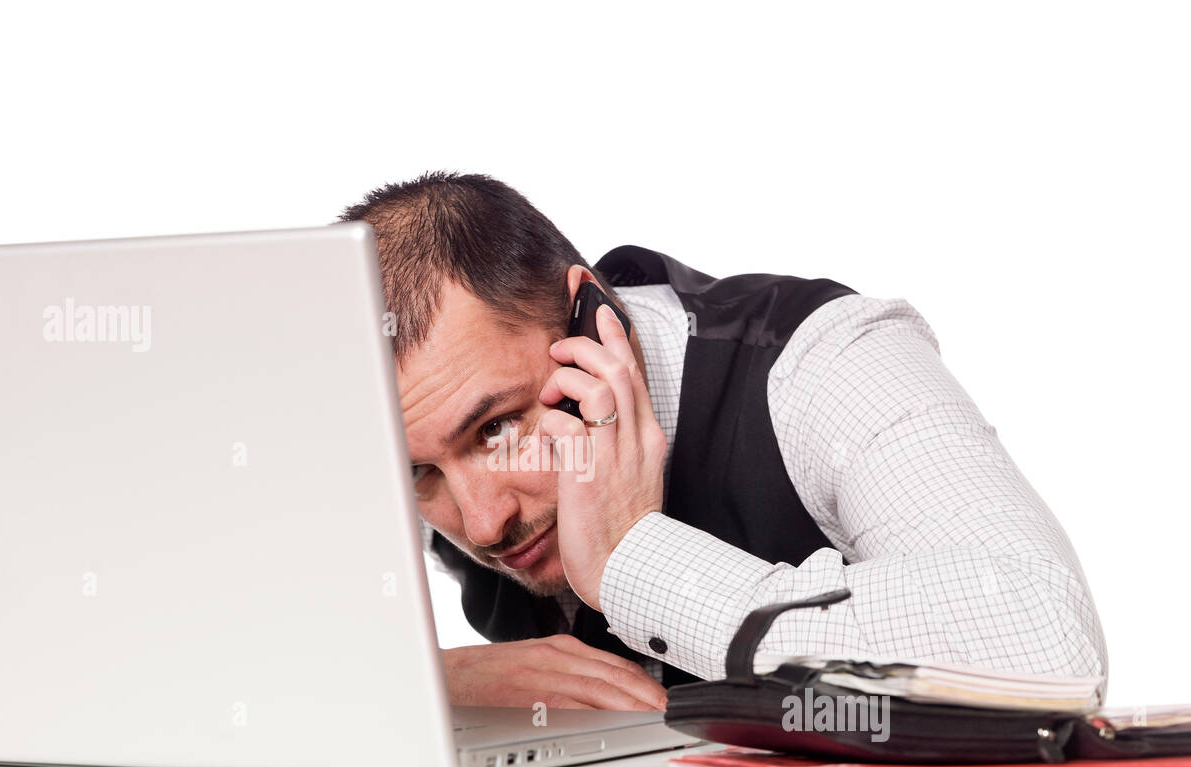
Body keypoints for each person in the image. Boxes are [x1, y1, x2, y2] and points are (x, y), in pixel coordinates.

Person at [339, 171, 1107, 711]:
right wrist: (436, 680)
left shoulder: (823, 362)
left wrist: (629, 560)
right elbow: (234, 660)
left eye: (499, 429)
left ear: (593, 319)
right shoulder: (425, 438)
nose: (480, 523)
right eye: (417, 473)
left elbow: (1043, 637)